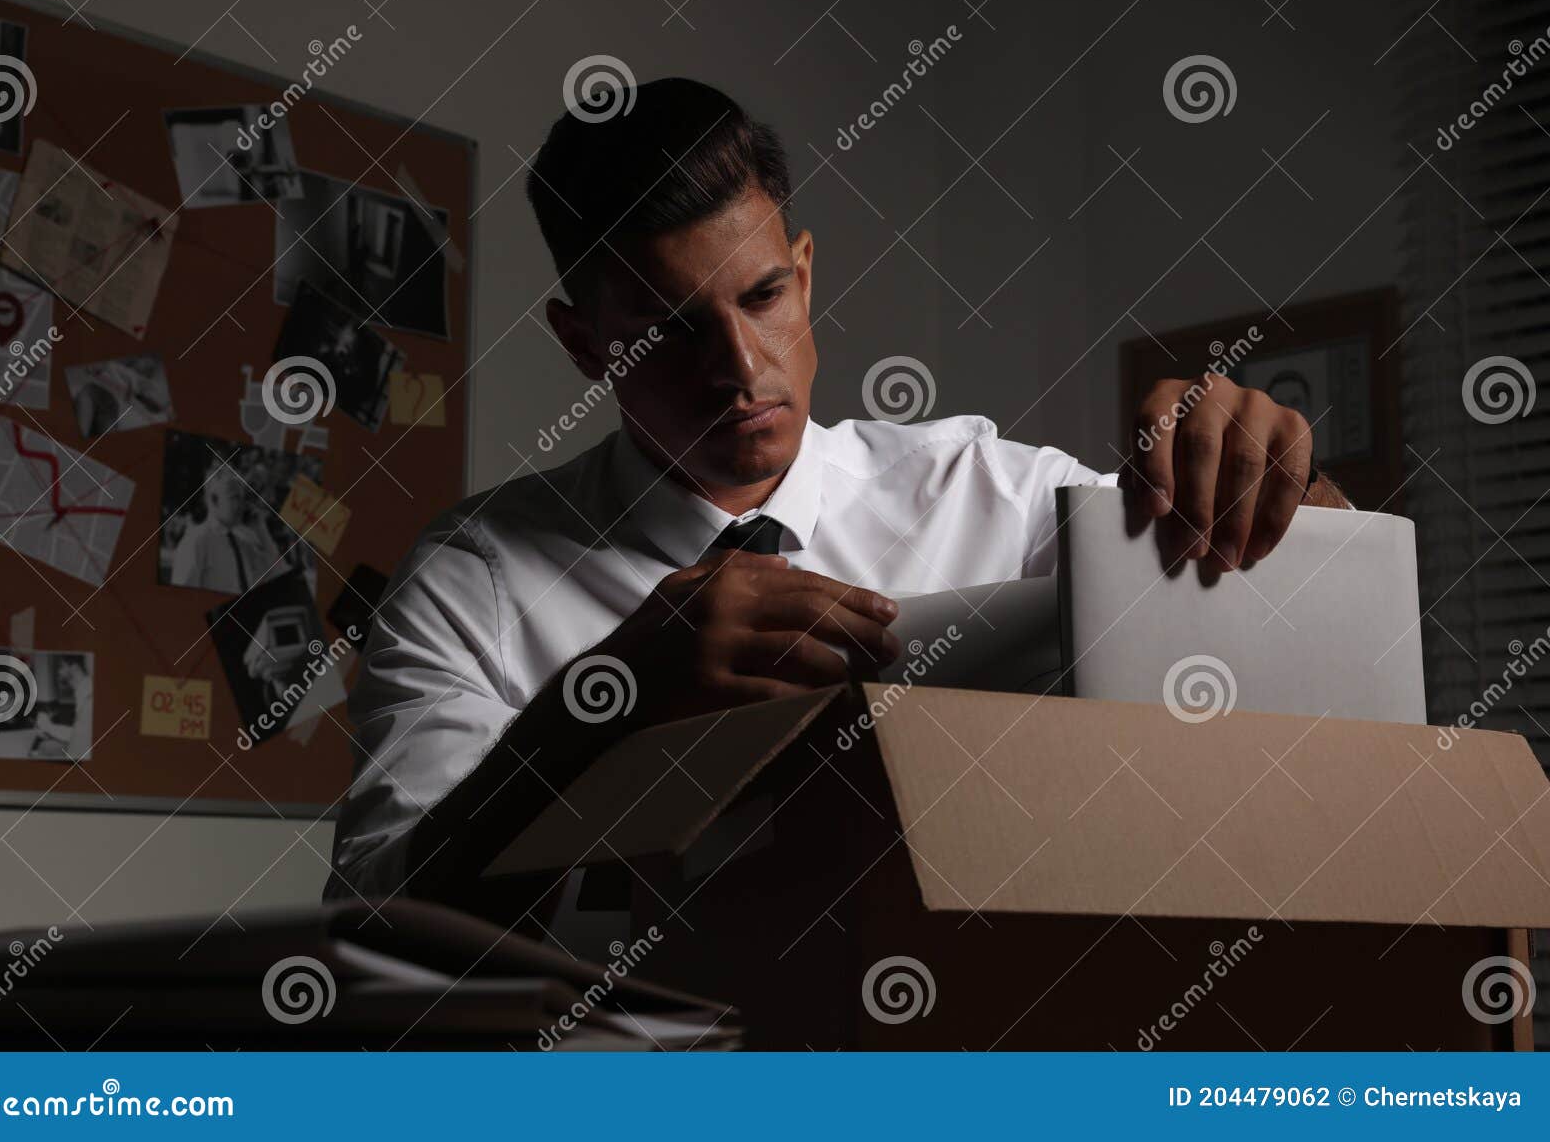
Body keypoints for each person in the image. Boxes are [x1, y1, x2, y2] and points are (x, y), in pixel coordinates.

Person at [327, 77, 1347, 911]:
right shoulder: (474, 583)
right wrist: (605, 701)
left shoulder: (989, 493)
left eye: (763, 296)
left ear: (804, 277)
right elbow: (375, 910)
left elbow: (1311, 618)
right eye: (672, 327)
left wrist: (1270, 484)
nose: (740, 366)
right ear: (584, 343)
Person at [169, 459, 282, 594]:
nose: (243, 505)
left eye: (242, 498)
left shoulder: (246, 540)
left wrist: (262, 532)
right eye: (235, 498)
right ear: (214, 500)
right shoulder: (195, 542)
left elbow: (278, 575)